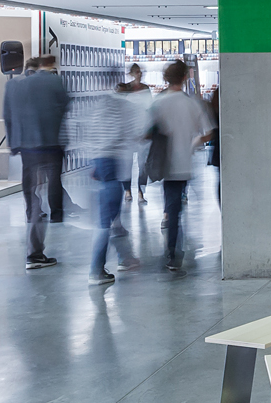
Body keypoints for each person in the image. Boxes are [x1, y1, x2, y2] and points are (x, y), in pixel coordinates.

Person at [64, 87, 147, 283]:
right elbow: (135, 134)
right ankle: (96, 270)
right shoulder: (125, 108)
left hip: (101, 165)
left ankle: (125, 258)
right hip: (112, 169)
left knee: (114, 220)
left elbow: (90, 137)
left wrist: (95, 163)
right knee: (105, 222)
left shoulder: (100, 107)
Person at [3, 53, 70, 269]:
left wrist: (14, 144)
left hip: (27, 148)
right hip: (51, 145)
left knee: (31, 196)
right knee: (54, 183)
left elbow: (8, 117)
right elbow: (65, 107)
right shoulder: (53, 81)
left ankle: (34, 248)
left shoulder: (13, 86)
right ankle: (56, 215)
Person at [150, 60, 208, 271]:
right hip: (185, 164)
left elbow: (146, 131)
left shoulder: (158, 103)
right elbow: (208, 131)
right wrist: (194, 142)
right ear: (185, 77)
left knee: (172, 208)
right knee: (176, 209)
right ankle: (174, 251)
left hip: (165, 163)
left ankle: (172, 252)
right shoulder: (192, 103)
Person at [116, 64, 151, 204]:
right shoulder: (126, 89)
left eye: (140, 72)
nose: (139, 74)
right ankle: (127, 190)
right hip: (129, 132)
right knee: (127, 163)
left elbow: (150, 108)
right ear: (131, 73)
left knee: (143, 165)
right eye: (136, 72)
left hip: (142, 131)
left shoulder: (145, 89)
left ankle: (141, 192)